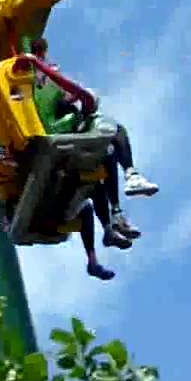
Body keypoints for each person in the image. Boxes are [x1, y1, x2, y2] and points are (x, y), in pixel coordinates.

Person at [28, 37, 157, 240]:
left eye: (41, 53)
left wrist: (79, 97)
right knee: (107, 137)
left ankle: (119, 208)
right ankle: (117, 207)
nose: (42, 57)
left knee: (109, 146)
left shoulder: (51, 79)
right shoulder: (29, 80)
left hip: (67, 125)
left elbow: (65, 97)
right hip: (53, 131)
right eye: (39, 54)